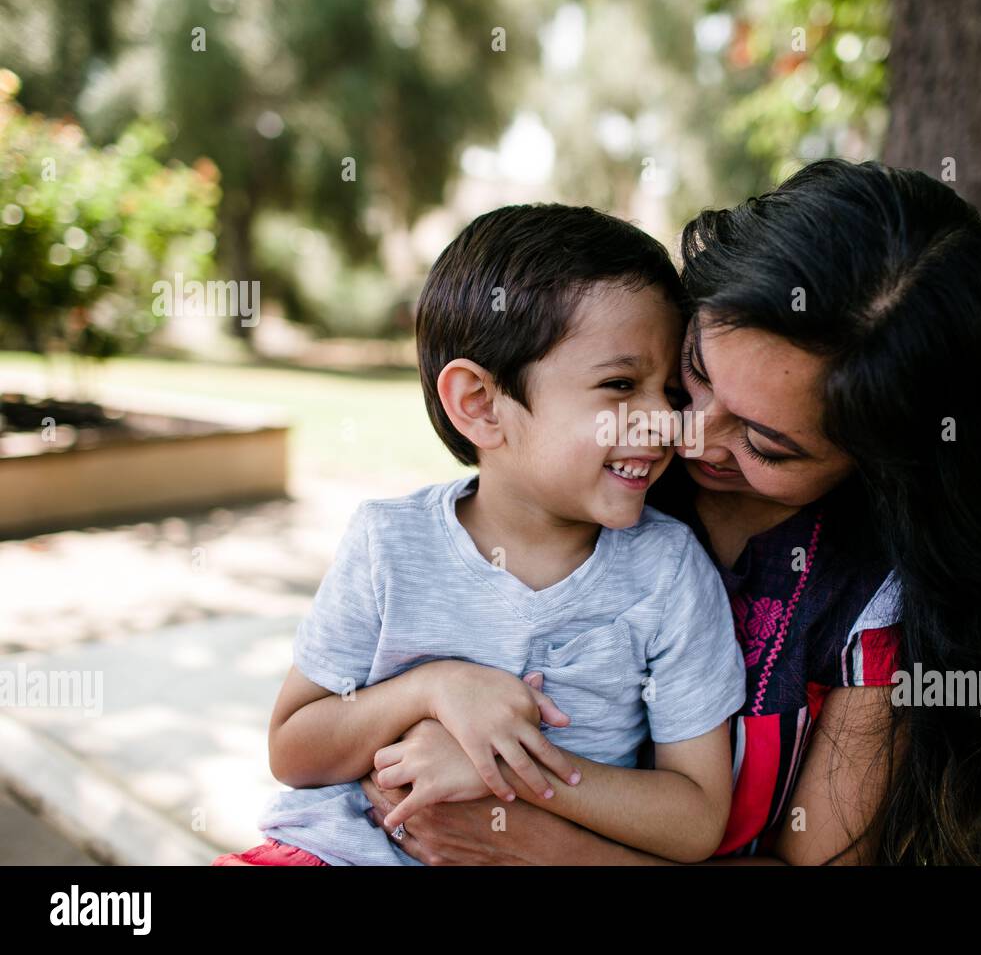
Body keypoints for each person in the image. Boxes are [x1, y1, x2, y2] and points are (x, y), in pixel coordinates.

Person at [356, 159, 981, 865]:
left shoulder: (878, 609)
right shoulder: (605, 472)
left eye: (766, 442)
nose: (689, 431)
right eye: (695, 372)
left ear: (883, 463)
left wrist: (536, 844)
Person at [213, 203, 746, 865]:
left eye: (668, 392)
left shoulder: (667, 574)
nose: (661, 421)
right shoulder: (390, 544)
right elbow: (294, 748)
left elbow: (693, 818)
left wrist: (517, 771)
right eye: (619, 385)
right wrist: (432, 687)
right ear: (481, 404)